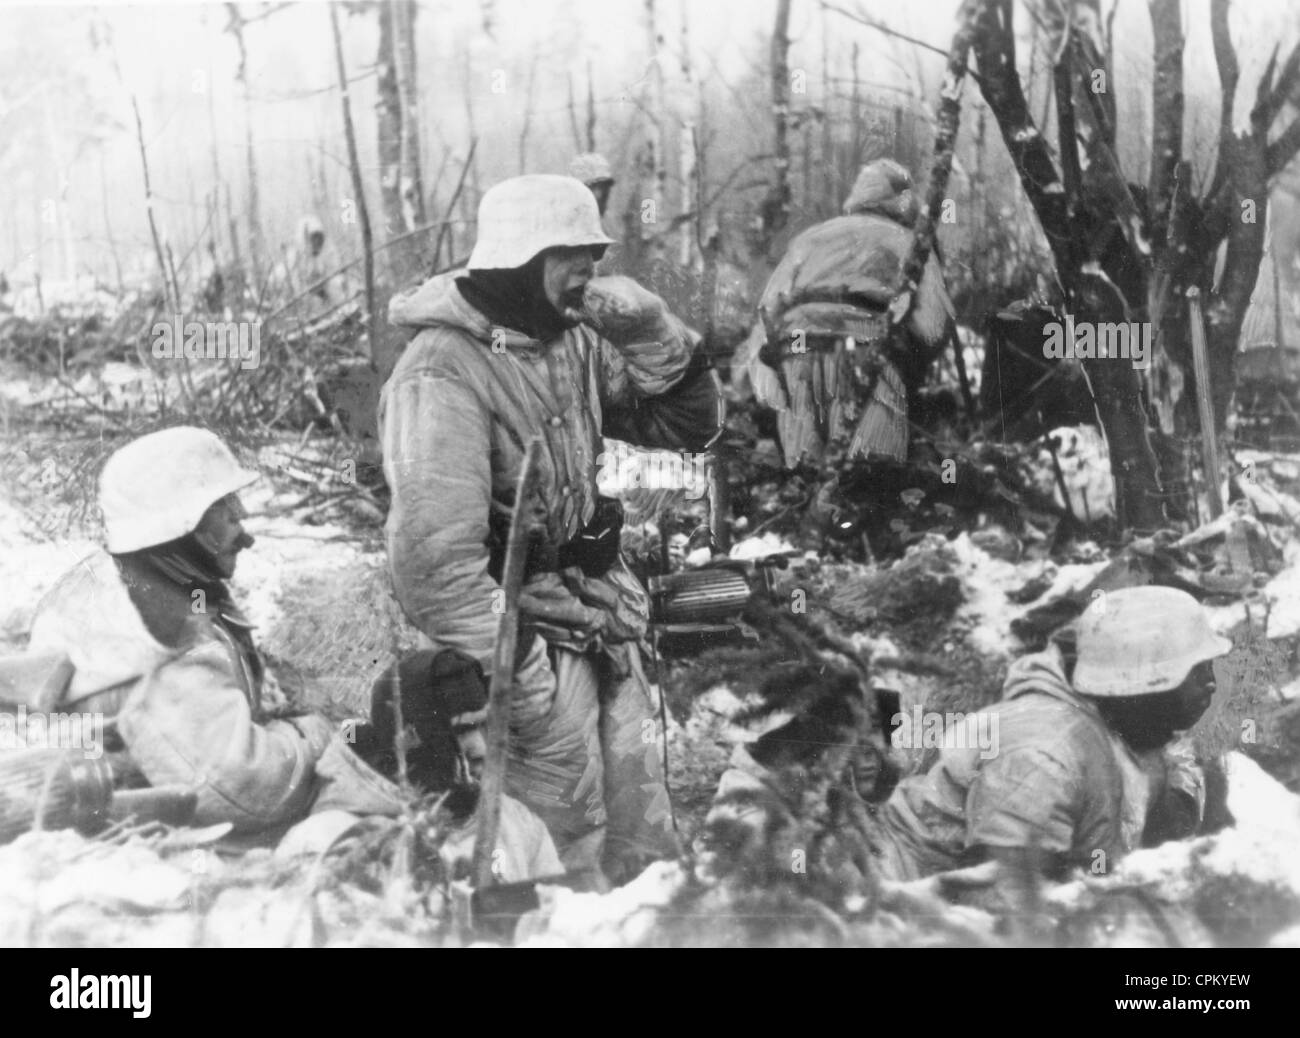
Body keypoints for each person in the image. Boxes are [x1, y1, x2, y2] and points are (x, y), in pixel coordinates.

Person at [381, 173, 721, 885]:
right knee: (560, 853)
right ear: (519, 257)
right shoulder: (440, 372)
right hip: (525, 636)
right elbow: (434, 570)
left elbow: (689, 429)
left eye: (593, 255)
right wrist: (524, 675)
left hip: (603, 615)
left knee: (642, 837)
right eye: (572, 254)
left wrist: (654, 335)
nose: (589, 273)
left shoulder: (572, 340)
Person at [26, 427, 561, 878]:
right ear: (181, 526)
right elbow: (240, 790)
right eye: (226, 514)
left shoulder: (152, 587)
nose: (246, 534)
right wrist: (317, 736)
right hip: (213, 853)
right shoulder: (159, 645)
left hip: (207, 829)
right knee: (422, 840)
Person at [873, 585, 1230, 933]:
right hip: (891, 907)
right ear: (1147, 681)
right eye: (1197, 672)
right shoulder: (1044, 754)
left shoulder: (1137, 724)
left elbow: (1165, 823)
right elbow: (997, 900)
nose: (1211, 685)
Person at [731, 158, 955, 468]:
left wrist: (763, 386)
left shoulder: (810, 239)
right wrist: (912, 361)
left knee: (804, 484)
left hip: (797, 355)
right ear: (904, 201)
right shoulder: (912, 244)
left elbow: (766, 316)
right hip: (871, 356)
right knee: (870, 482)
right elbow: (932, 326)